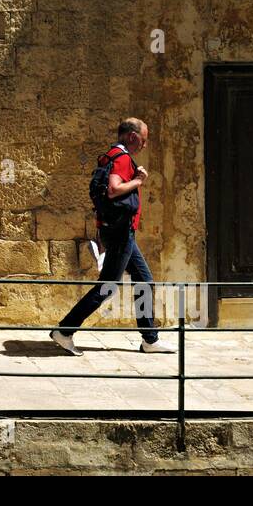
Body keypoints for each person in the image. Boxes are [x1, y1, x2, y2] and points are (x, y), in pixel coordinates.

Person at [51, 118, 173, 355]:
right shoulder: (122, 158)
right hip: (120, 233)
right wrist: (138, 181)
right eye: (144, 140)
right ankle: (65, 330)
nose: (145, 145)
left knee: (144, 280)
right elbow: (114, 189)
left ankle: (150, 339)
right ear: (133, 137)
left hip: (119, 231)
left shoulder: (111, 155)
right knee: (107, 287)